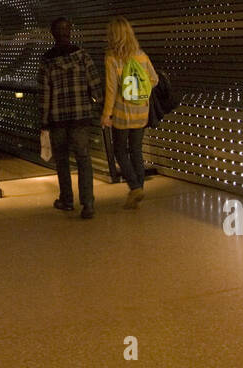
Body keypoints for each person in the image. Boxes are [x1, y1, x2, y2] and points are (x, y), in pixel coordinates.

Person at [39, 17, 103, 219]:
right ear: (70, 32)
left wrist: (43, 120)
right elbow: (95, 84)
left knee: (62, 161)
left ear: (53, 34)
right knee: (83, 159)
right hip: (80, 116)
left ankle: (67, 200)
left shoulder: (47, 61)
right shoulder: (82, 55)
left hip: (57, 118)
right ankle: (88, 203)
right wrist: (100, 106)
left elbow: (45, 94)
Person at [101, 16, 158, 209]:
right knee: (136, 151)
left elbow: (111, 89)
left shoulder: (112, 57)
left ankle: (135, 187)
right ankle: (138, 190)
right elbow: (154, 79)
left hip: (122, 111)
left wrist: (106, 114)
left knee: (119, 151)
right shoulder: (141, 55)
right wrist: (139, 90)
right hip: (141, 110)